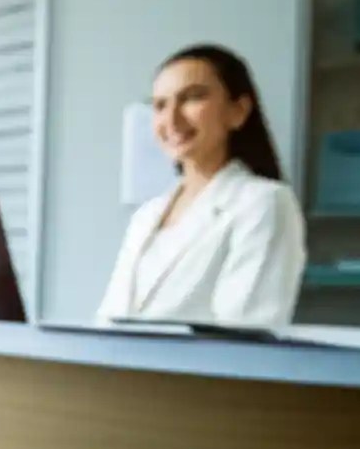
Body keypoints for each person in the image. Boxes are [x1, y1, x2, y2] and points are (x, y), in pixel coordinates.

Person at [97, 44, 306, 328]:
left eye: (192, 98)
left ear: (238, 111)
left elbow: (245, 337)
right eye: (160, 105)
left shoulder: (264, 203)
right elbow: (106, 323)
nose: (171, 119)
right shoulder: (146, 216)